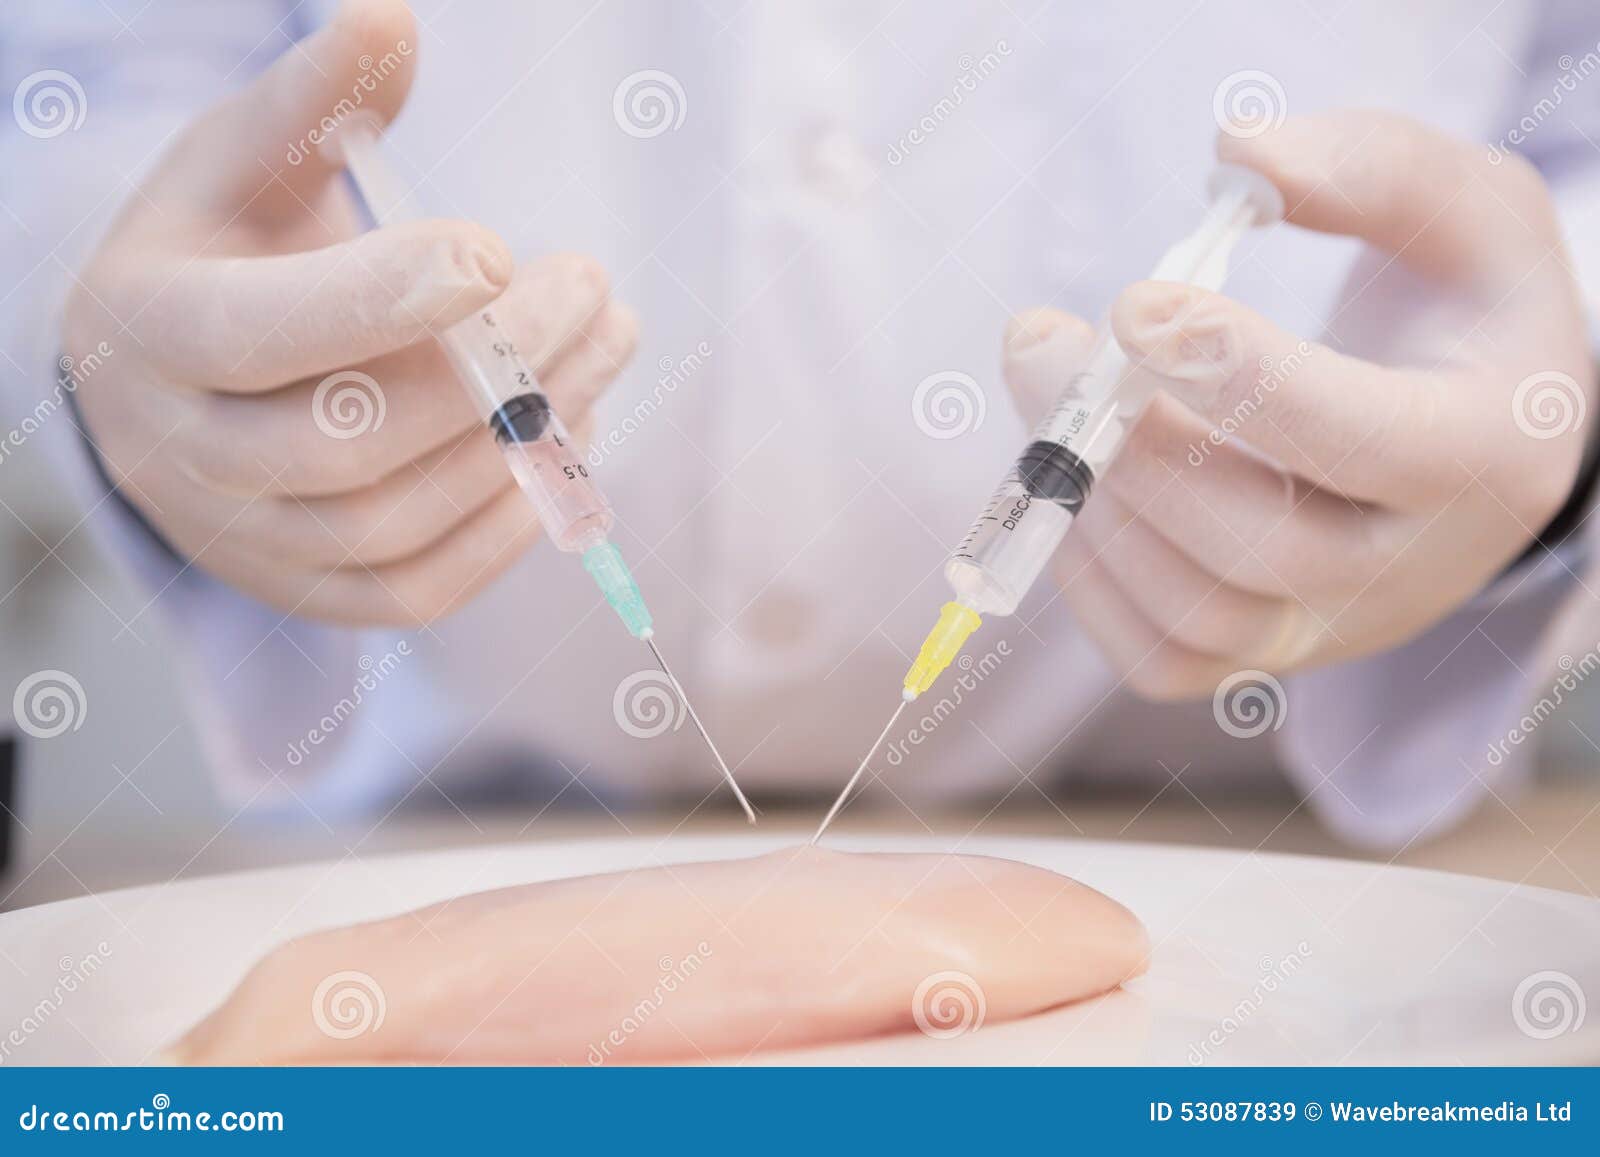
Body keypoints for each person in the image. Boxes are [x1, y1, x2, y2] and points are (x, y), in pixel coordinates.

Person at [3, 0, 1597, 846]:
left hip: (1277, 874)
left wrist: (1550, 403)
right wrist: (166, 362)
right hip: (457, 852)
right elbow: (82, 78)